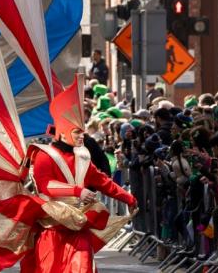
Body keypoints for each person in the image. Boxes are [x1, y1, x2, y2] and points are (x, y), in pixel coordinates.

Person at [20, 85, 137, 273]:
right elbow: (46, 185)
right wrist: (78, 191)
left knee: (83, 268)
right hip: (52, 229)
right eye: (77, 132)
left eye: (82, 131)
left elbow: (102, 181)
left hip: (77, 227)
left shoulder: (82, 157)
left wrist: (128, 198)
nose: (82, 136)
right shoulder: (44, 155)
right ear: (63, 133)